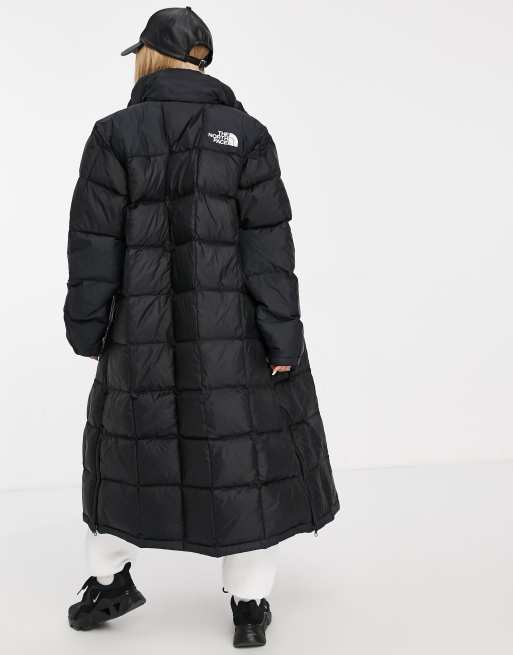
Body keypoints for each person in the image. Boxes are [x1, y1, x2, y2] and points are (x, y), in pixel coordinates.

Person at [64, 6, 339, 648]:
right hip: (234, 340)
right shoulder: (248, 135)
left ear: (148, 56)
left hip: (138, 338)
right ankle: (249, 608)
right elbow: (270, 251)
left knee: (125, 461)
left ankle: (108, 582)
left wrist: (87, 328)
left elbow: (93, 245)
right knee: (242, 464)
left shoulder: (113, 134)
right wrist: (282, 338)